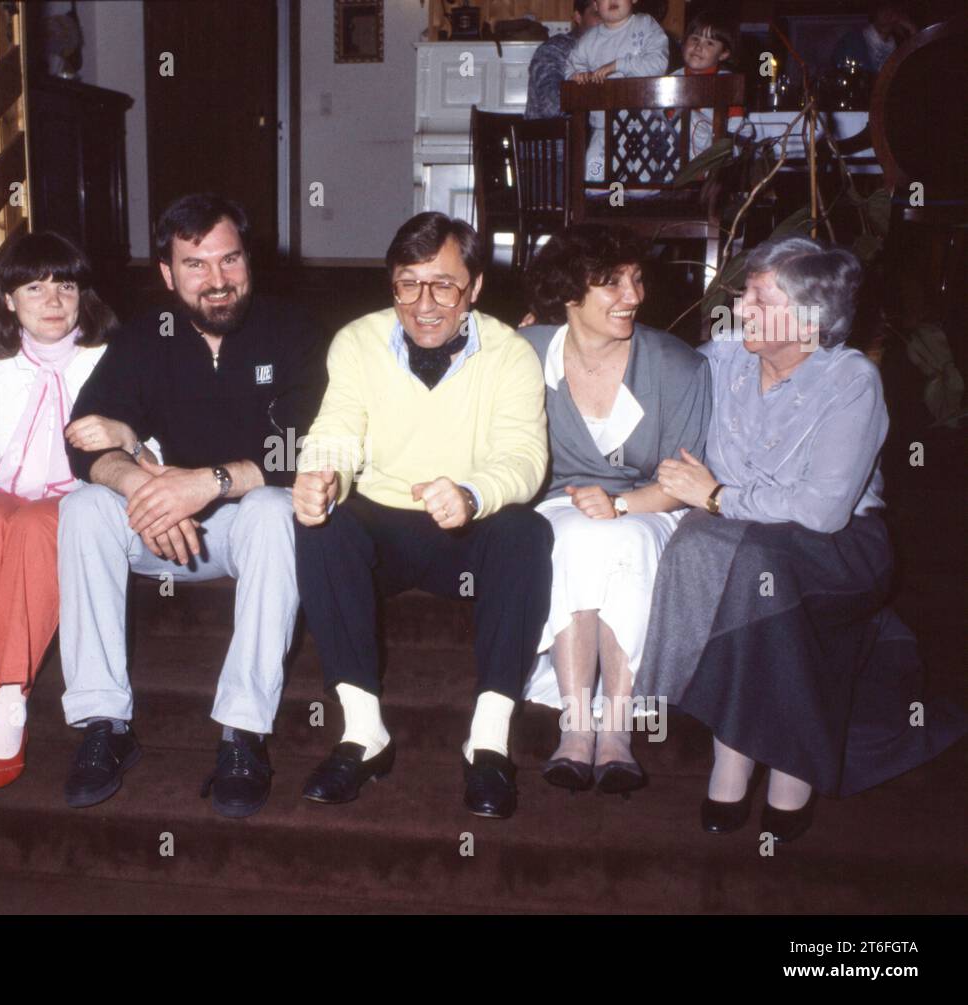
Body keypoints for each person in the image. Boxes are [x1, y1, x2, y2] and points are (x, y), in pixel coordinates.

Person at [635, 236, 967, 842]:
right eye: (743, 294)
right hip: (744, 537)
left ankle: (781, 764)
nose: (739, 309)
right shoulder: (727, 357)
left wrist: (714, 496)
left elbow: (821, 511)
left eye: (759, 298)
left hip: (841, 548)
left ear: (808, 317)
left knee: (754, 562)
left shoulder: (851, 381)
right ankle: (737, 751)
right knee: (716, 553)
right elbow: (654, 372)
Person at [57, 193, 326, 818]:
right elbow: (83, 441)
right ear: (167, 273)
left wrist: (205, 482)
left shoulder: (293, 329)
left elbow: (305, 446)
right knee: (83, 509)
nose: (218, 282)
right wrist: (143, 487)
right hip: (161, 526)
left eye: (229, 261)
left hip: (242, 528)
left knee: (273, 510)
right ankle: (104, 725)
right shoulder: (145, 336)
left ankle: (243, 732)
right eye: (196, 265)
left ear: (249, 260)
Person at [294, 212, 553, 820]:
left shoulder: (512, 355)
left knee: (526, 530)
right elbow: (337, 428)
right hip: (383, 522)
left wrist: (472, 492)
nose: (425, 303)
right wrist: (321, 475)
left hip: (468, 527)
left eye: (444, 284)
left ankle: (488, 741)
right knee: (321, 524)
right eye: (408, 283)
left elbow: (524, 458)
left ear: (476, 288)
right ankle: (363, 734)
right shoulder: (357, 340)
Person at [518, 226, 710, 795]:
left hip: (652, 504)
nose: (633, 295)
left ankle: (618, 729)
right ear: (568, 295)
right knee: (576, 536)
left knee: (620, 540)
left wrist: (623, 503)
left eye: (636, 279)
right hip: (559, 503)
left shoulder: (678, 368)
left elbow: (685, 483)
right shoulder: (525, 353)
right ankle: (577, 725)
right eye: (611, 283)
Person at [0, 232, 118, 790]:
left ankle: (12, 700)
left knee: (38, 531)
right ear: (8, 301)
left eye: (66, 285)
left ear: (83, 293)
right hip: (4, 485)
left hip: (80, 491)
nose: (54, 300)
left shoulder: (109, 356)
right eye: (34, 288)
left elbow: (145, 439)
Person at [566, 0, 671, 182]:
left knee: (643, 190)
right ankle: (613, 205)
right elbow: (572, 67)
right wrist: (577, 76)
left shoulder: (646, 25)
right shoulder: (589, 39)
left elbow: (658, 64)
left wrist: (619, 65)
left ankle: (628, 206)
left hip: (643, 128)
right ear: (596, 5)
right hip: (603, 130)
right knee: (594, 183)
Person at [668, 12, 745, 158]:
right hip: (675, 155)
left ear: (723, 54)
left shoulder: (727, 83)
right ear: (684, 43)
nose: (698, 47)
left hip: (713, 156)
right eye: (695, 39)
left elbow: (736, 127)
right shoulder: (671, 80)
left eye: (709, 43)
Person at [524, 0, 602, 120]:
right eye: (598, 15)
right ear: (578, 17)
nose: (606, 21)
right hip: (555, 136)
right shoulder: (554, 50)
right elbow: (551, 106)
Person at [830, 1, 917, 74]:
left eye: (892, 8)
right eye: (883, 7)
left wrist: (912, 30)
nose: (888, 12)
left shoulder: (901, 44)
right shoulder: (851, 41)